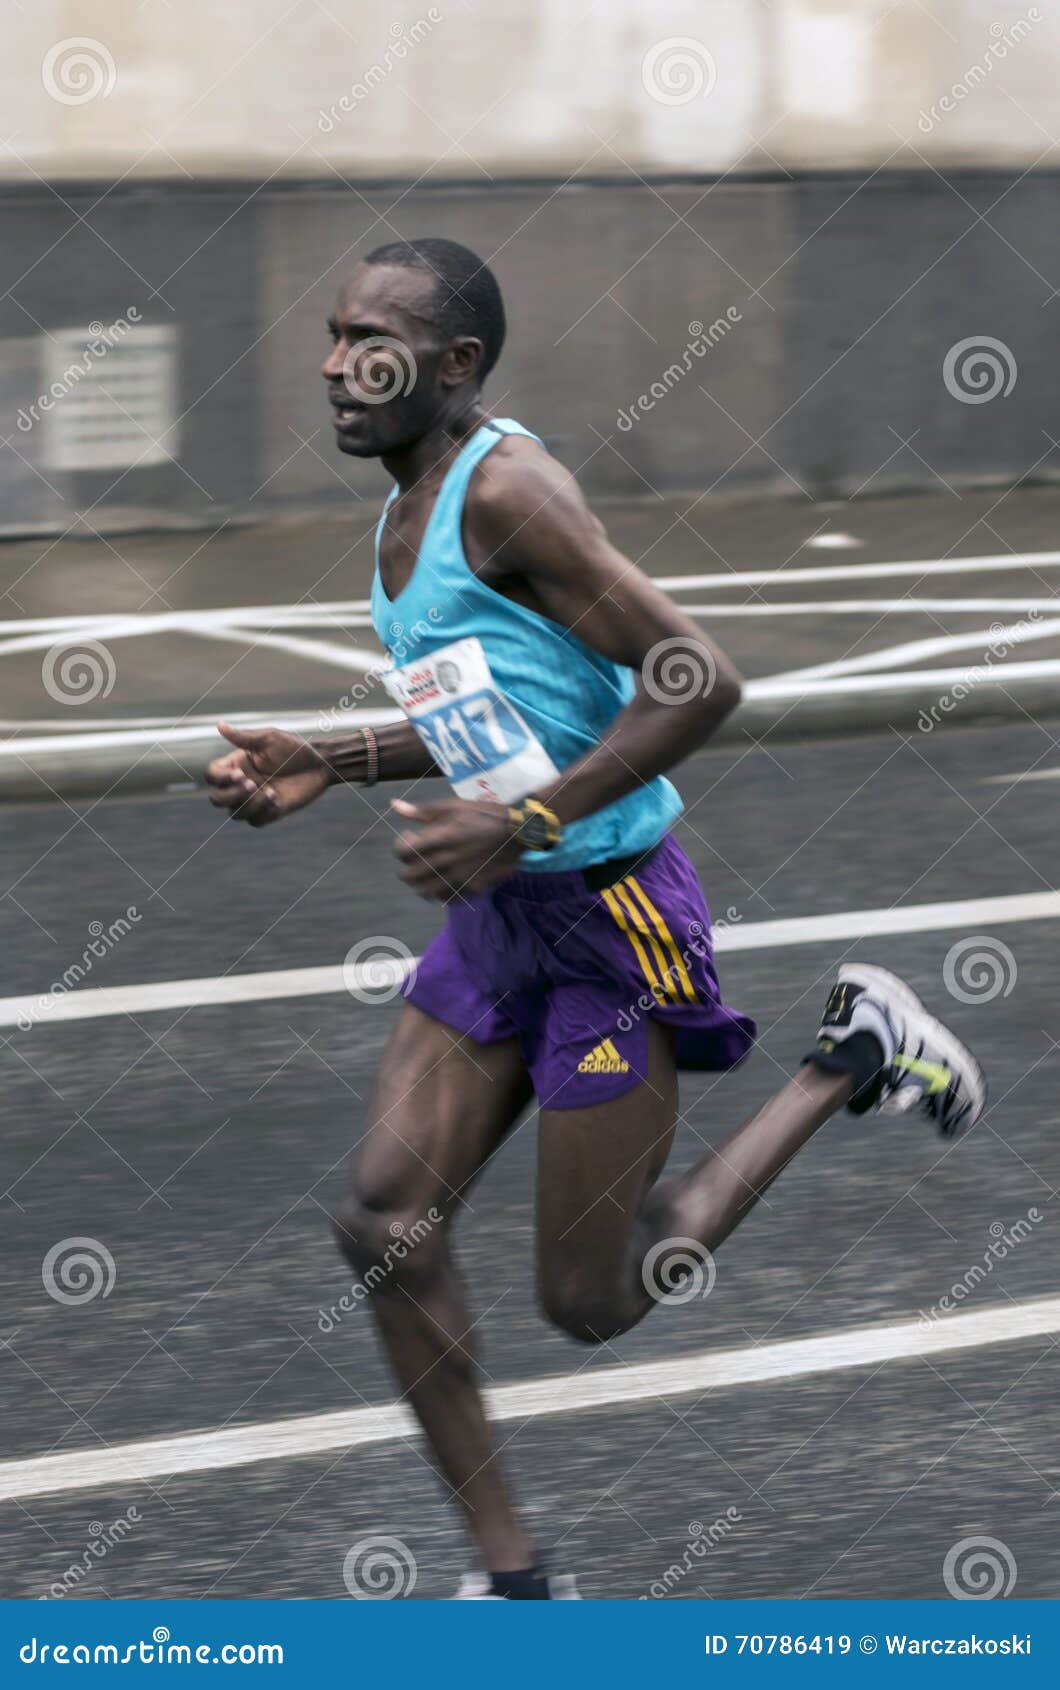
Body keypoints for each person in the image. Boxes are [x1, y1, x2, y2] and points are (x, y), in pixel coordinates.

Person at [205, 238, 986, 1600]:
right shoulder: (406, 505)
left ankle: (851, 1052)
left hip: (612, 919)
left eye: (371, 344)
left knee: (598, 1297)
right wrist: (338, 757)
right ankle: (517, 1585)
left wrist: (525, 824)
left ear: (452, 370)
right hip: (509, 910)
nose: (336, 366)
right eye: (331, 335)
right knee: (382, 1220)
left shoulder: (506, 490)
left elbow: (700, 675)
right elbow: (501, 719)